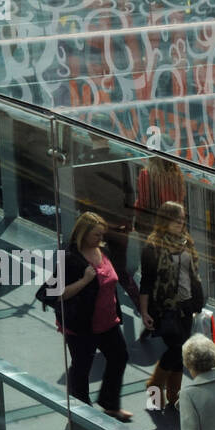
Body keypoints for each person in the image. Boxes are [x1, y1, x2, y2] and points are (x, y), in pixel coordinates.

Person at [55, 211, 132, 421]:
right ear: (84, 233)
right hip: (82, 325)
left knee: (119, 356)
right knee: (82, 365)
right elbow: (59, 292)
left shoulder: (103, 251)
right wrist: (84, 281)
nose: (101, 239)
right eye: (96, 235)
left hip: (108, 321)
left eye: (102, 235)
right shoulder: (71, 258)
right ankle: (81, 408)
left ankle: (109, 402)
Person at [139, 201, 203, 410]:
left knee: (180, 353)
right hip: (165, 306)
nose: (180, 222)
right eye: (176, 219)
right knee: (177, 348)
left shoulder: (186, 242)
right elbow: (146, 282)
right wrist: (144, 311)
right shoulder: (153, 246)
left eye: (183, 218)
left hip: (186, 305)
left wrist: (197, 301)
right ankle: (154, 387)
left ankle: (173, 397)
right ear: (165, 220)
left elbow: (193, 274)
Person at [73, 134, 139, 312]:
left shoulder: (83, 161)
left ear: (89, 137)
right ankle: (142, 308)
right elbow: (129, 192)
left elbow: (80, 196)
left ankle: (108, 308)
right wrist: (129, 219)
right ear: (107, 138)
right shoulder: (119, 159)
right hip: (120, 224)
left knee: (97, 269)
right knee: (121, 270)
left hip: (95, 226)